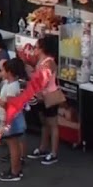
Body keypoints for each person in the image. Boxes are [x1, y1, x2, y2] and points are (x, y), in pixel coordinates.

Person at [28, 35, 62, 166]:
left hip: (49, 95)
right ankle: (43, 147)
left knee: (52, 124)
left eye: (36, 47)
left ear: (42, 49)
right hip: (40, 96)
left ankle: (53, 153)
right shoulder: (40, 61)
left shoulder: (49, 62)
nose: (34, 50)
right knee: (44, 123)